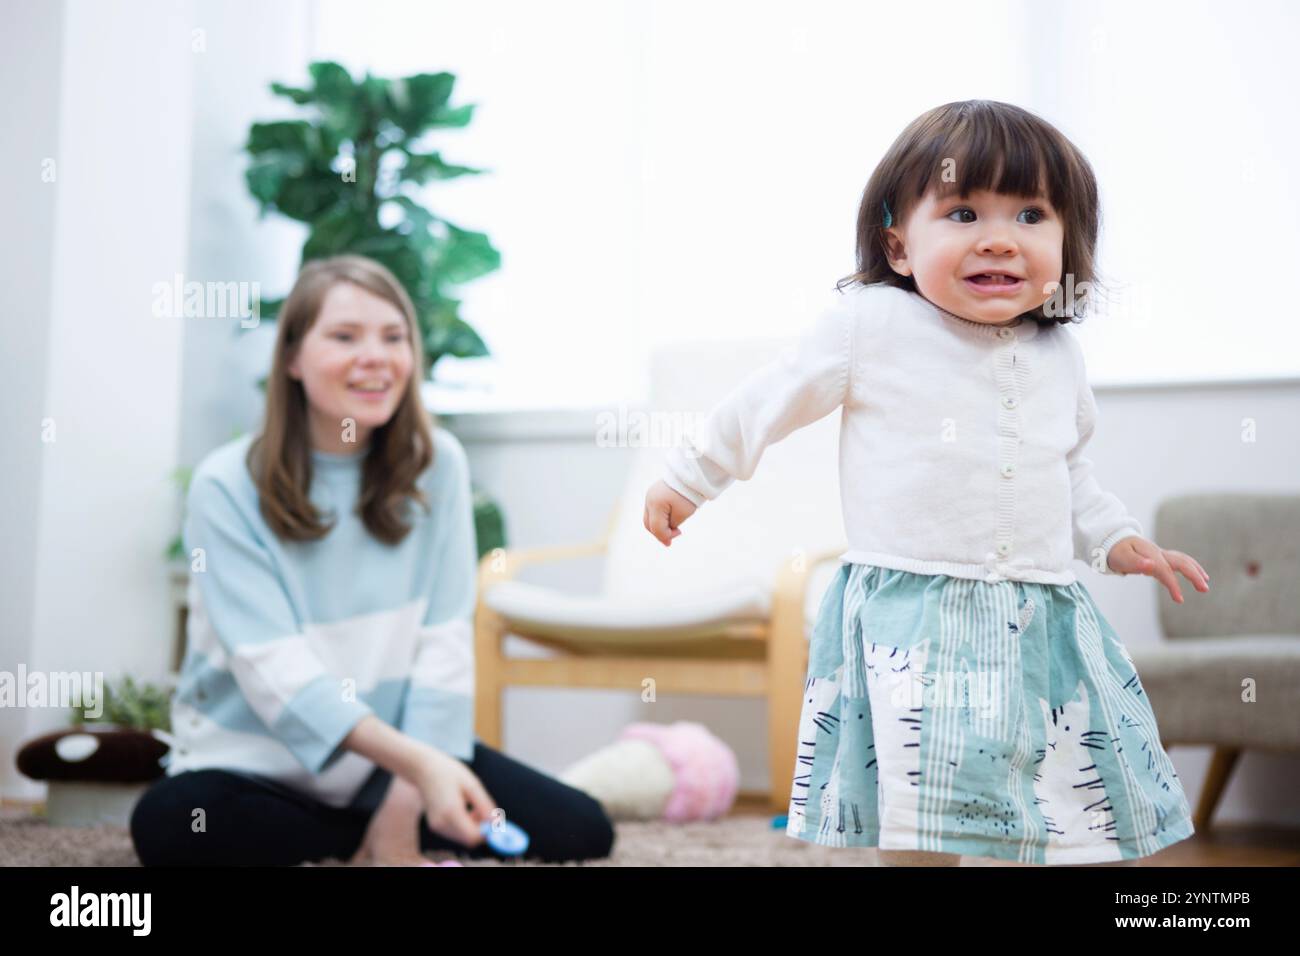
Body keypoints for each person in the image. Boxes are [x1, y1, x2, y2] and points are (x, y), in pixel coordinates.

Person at [643, 100, 1207, 868]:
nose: (1000, 239)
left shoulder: (1057, 358)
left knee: (1034, 801)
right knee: (919, 810)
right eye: (965, 212)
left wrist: (1117, 540)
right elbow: (765, 403)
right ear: (899, 246)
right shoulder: (871, 326)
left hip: (1034, 619)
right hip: (914, 620)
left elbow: (1070, 473)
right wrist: (691, 475)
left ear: (1070, 243)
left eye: (1033, 214)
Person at [131, 254, 614, 866]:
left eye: (394, 338)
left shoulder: (439, 465)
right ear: (291, 359)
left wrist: (403, 803)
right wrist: (422, 765)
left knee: (582, 831)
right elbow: (274, 671)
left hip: (390, 769)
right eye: (344, 336)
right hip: (255, 768)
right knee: (174, 825)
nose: (376, 358)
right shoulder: (225, 485)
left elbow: (443, 644)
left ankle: (363, 835)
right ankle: (347, 840)